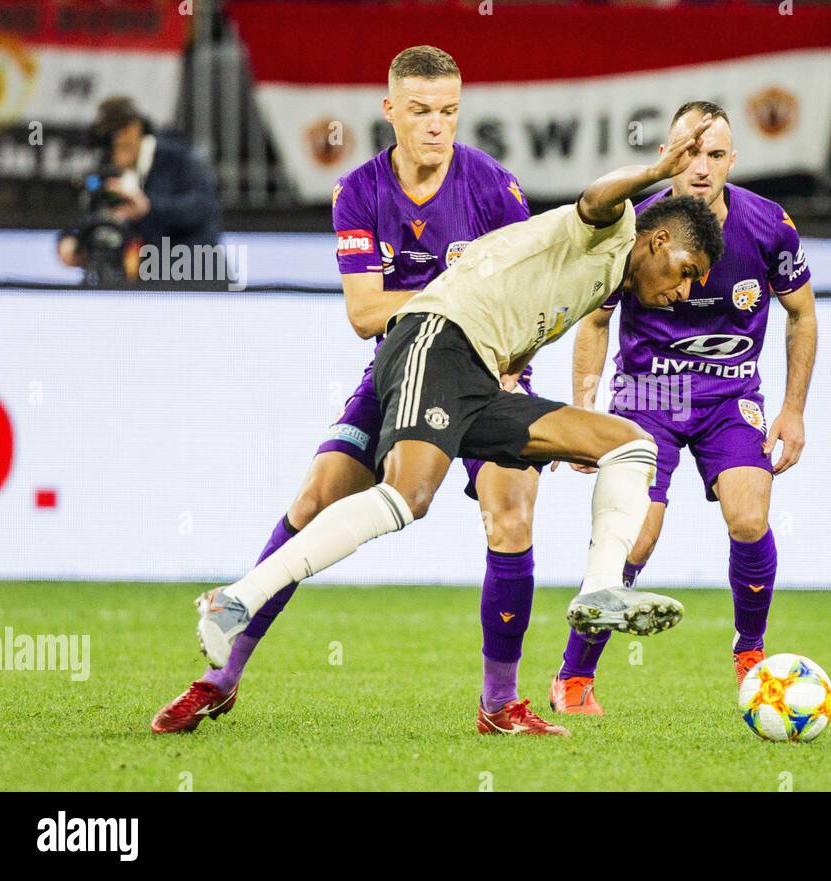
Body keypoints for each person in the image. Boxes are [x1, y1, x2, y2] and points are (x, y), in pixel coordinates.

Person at [190, 114, 726, 737]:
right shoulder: (618, 226)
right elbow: (598, 195)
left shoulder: (605, 279)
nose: (685, 291)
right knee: (406, 496)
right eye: (688, 271)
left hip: (482, 375)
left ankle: (599, 592)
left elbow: (523, 315)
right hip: (435, 342)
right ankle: (238, 598)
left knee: (630, 444)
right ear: (660, 242)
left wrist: (518, 372)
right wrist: (657, 174)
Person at [152, 46, 541, 734]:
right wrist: (458, 292)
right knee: (313, 498)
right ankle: (219, 679)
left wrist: (512, 355)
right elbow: (364, 313)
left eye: (449, 112)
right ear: (390, 110)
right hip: (397, 368)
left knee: (509, 513)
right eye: (420, 111)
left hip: (487, 370)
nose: (436, 126)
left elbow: (531, 295)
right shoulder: (359, 191)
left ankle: (500, 704)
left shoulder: (495, 188)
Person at [548, 101, 818, 715]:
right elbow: (596, 317)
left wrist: (793, 409)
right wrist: (583, 406)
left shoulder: (770, 226)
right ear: (668, 154)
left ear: (732, 160)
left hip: (730, 394)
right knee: (636, 539)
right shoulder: (633, 228)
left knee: (749, 517)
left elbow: (802, 313)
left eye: (715, 154)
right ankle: (573, 677)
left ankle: (750, 650)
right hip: (648, 394)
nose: (701, 167)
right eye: (689, 152)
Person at [58, 96, 222, 281]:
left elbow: (204, 206)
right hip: (134, 287)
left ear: (137, 128)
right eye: (111, 139)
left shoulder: (178, 157)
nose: (118, 143)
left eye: (123, 132)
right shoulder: (107, 168)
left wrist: (149, 208)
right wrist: (70, 240)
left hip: (193, 280)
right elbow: (89, 214)